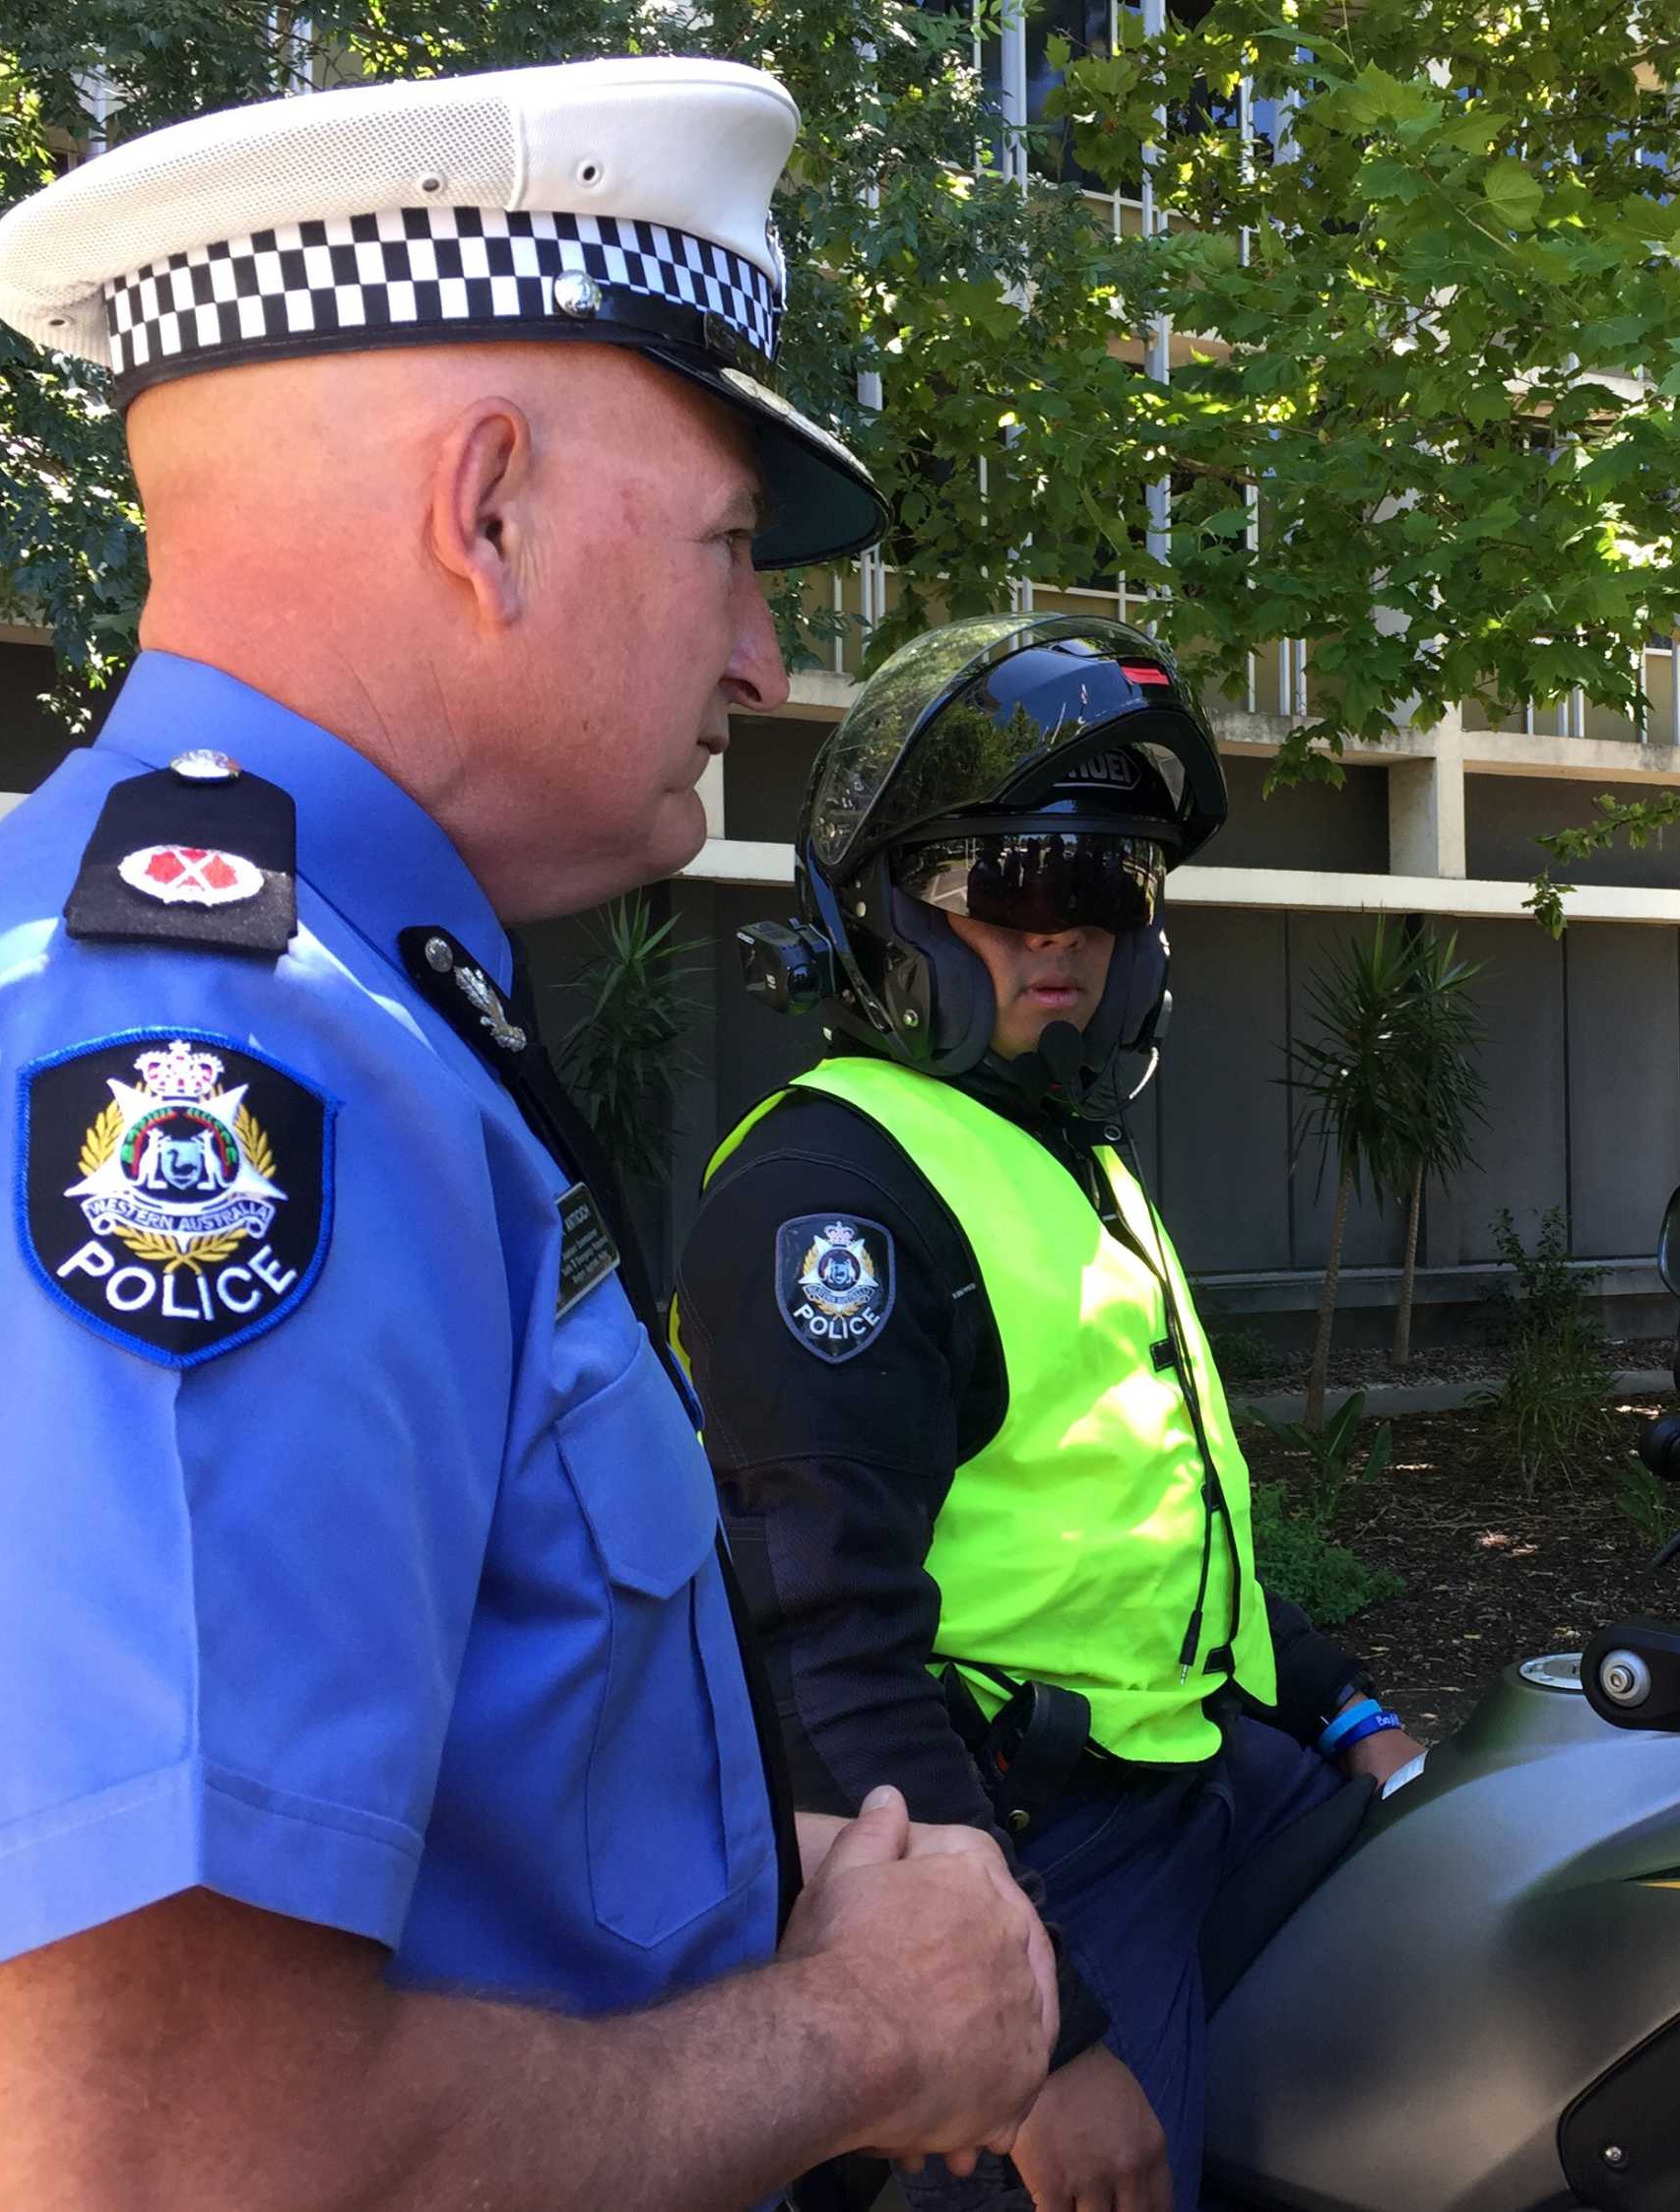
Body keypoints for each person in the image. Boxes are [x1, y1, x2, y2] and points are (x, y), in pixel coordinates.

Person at [0, 57, 1056, 2209]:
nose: (755, 657)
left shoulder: (315, 1008)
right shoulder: (198, 1076)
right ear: (486, 509)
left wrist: (737, 1868)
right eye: (734, 549)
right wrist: (866, 2034)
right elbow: (161, 2167)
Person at [674, 614, 1425, 2212]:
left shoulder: (1057, 1160)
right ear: (891, 914)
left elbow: (1146, 1539)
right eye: (1016, 884)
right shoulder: (837, 1201)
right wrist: (1039, 2050)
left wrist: (1348, 1709)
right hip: (1020, 1848)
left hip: (1195, 1766)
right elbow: (822, 1661)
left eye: (1110, 888)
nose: (1069, 934)